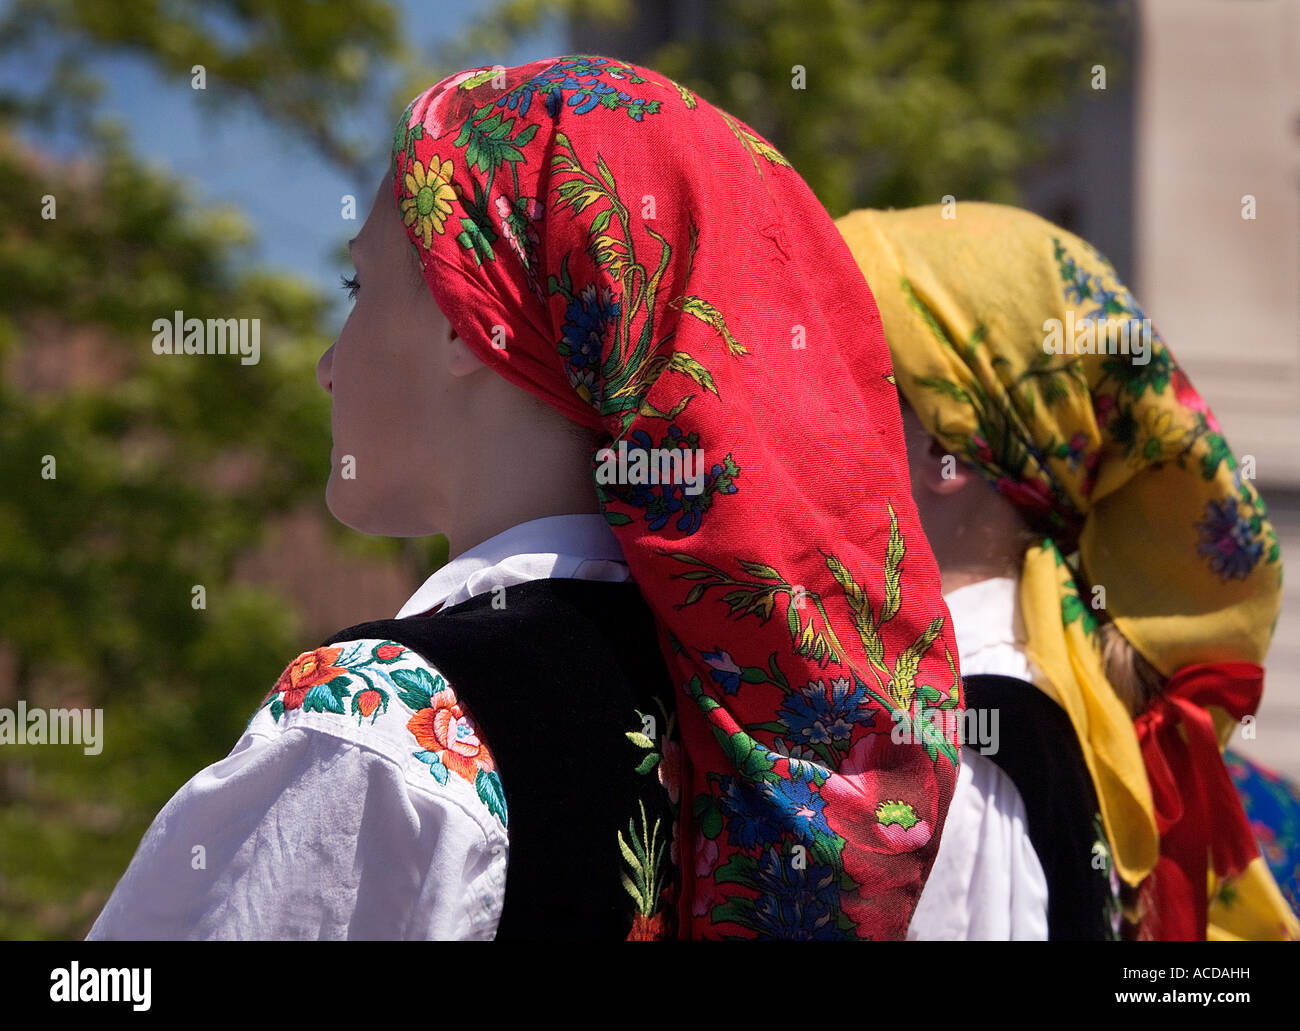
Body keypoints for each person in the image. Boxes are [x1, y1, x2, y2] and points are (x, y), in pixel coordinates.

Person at [87, 55, 964, 940]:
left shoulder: (383, 724)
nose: (325, 363)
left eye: (359, 287)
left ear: (470, 317)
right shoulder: (729, 716)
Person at [837, 201, 1300, 940]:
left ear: (944, 455)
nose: (797, 414)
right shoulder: (1015, 700)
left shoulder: (964, 741)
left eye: (846, 377)